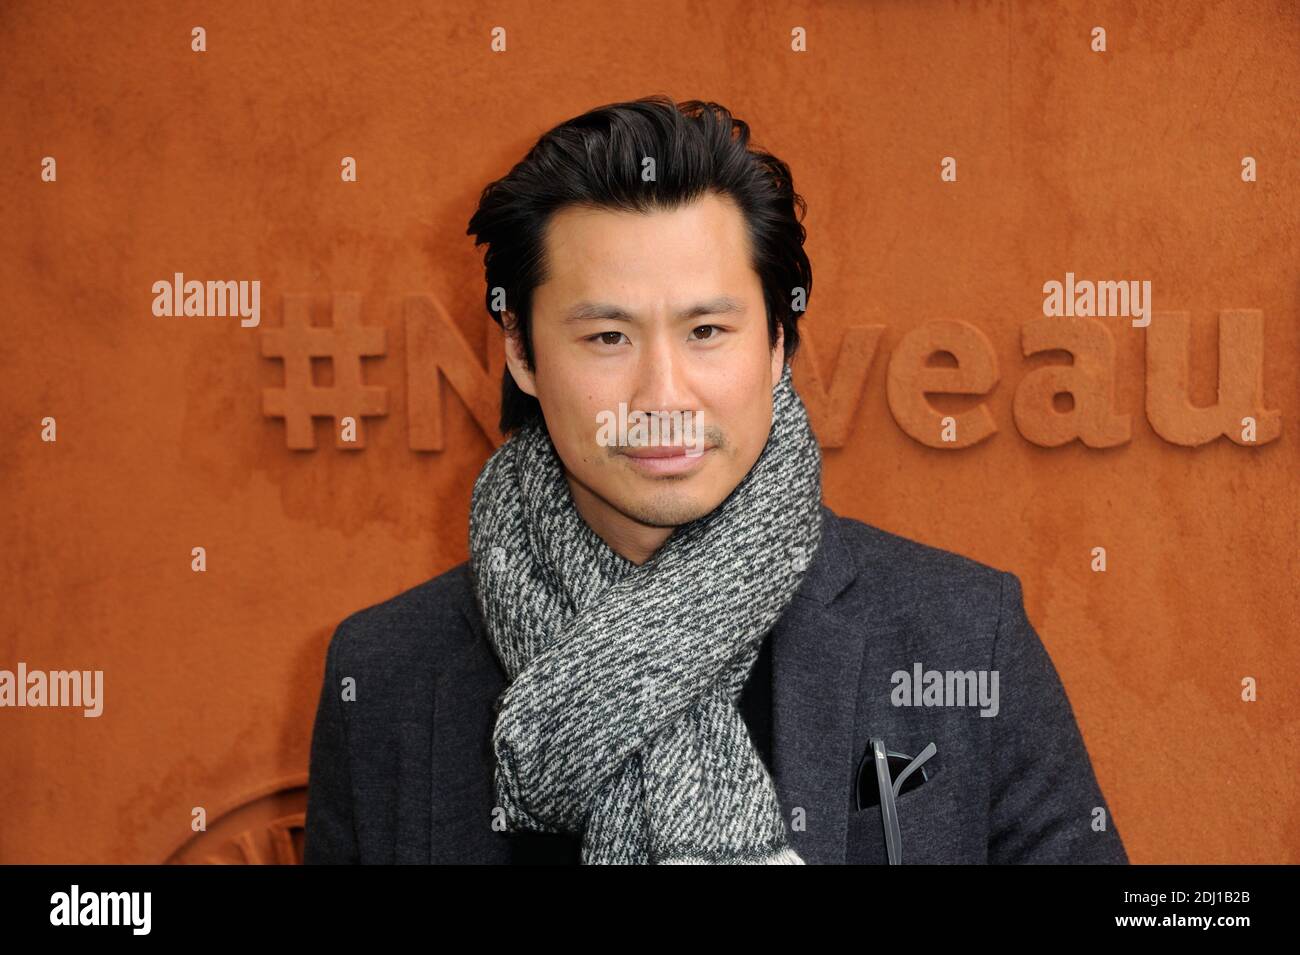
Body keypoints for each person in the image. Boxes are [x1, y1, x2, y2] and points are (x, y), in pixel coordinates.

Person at [304, 95, 1128, 865]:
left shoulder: (961, 634)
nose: (664, 395)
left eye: (706, 330)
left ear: (776, 344)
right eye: (606, 338)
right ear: (519, 349)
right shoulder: (384, 675)